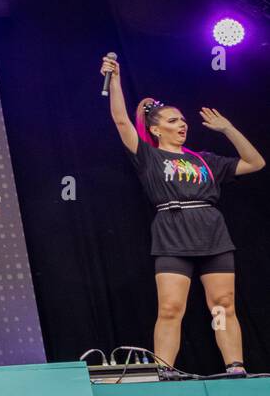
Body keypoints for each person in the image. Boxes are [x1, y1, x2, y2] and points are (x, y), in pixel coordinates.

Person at [101, 55, 265, 375]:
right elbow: (121, 120)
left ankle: (234, 367)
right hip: (172, 233)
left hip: (212, 233)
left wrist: (228, 128)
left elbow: (255, 162)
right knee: (171, 307)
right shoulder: (148, 156)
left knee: (222, 305)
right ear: (155, 128)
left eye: (182, 120)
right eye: (174, 120)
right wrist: (116, 79)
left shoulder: (205, 160)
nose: (182, 124)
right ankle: (165, 370)